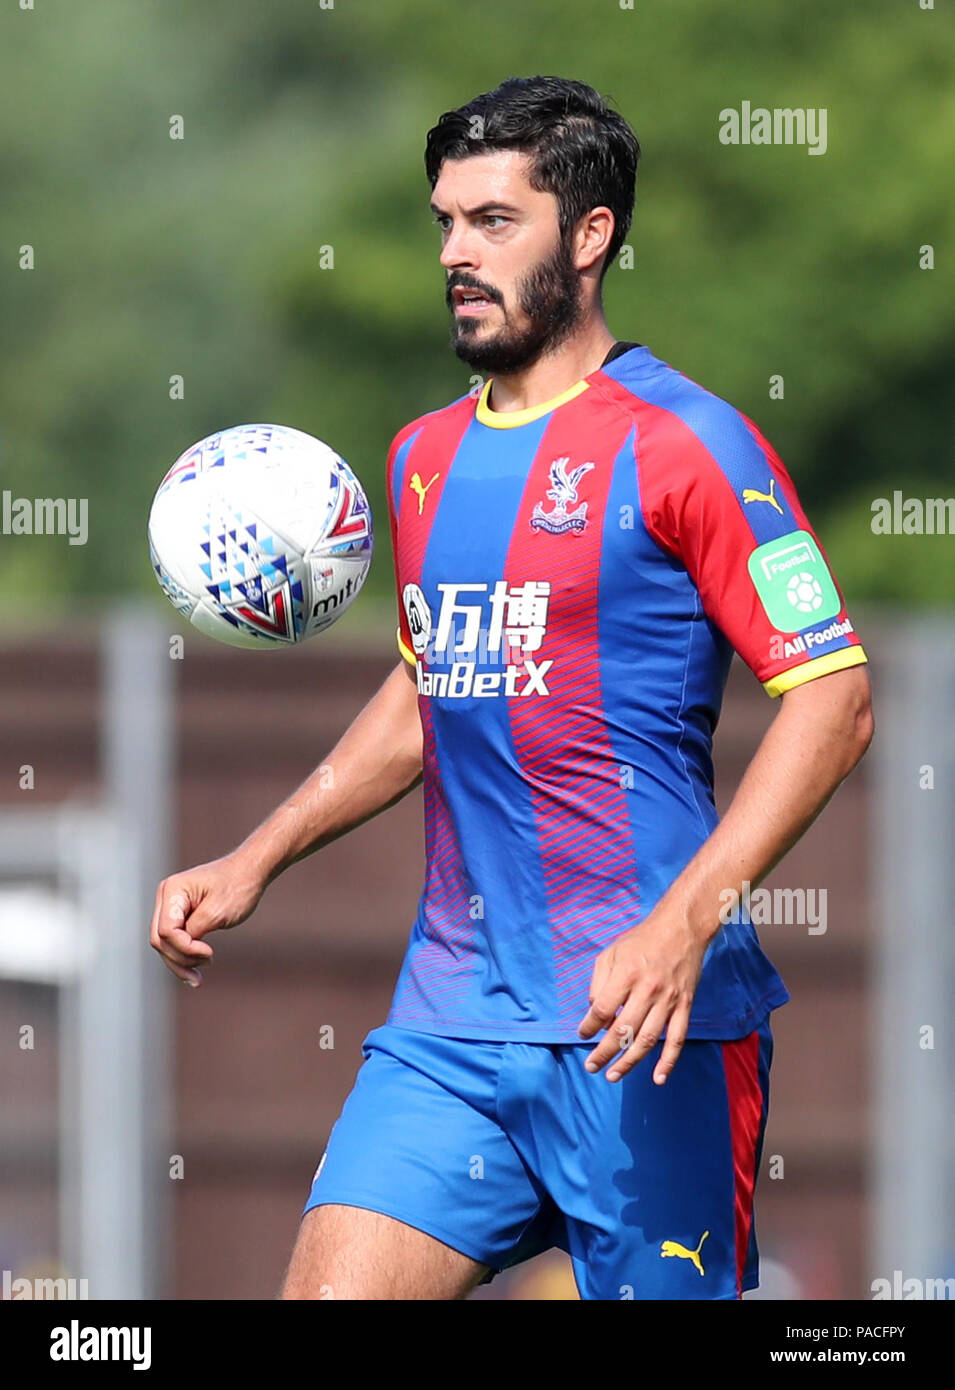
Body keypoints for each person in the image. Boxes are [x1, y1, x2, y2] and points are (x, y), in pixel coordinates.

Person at [150, 76, 873, 1300]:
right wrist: (256, 854)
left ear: (590, 237)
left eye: (494, 222)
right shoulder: (422, 456)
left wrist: (683, 921)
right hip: (451, 1027)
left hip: (646, 1029)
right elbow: (436, 678)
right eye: (444, 221)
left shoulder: (689, 443)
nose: (455, 254)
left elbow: (835, 700)